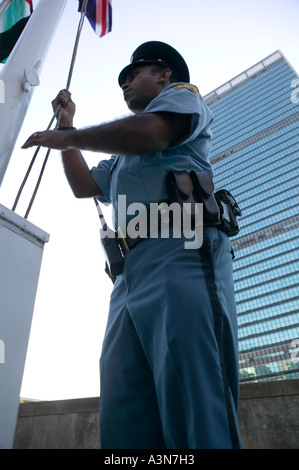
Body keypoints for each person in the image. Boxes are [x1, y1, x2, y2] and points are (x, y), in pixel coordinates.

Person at [23, 41, 243, 449]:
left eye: (134, 73)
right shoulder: (120, 157)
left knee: (195, 399)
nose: (125, 83)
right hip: (130, 274)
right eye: (122, 79)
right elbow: (83, 185)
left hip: (182, 250)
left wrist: (64, 137)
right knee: (125, 405)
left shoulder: (183, 99)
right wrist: (68, 127)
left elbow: (150, 132)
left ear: (164, 75)